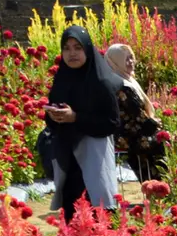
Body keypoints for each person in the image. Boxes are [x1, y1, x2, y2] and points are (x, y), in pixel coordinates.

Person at [43, 25, 121, 223]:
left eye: (77, 47)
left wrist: (76, 117)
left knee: (98, 216)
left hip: (94, 159)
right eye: (67, 48)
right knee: (72, 215)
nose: (72, 53)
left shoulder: (100, 82)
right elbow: (52, 121)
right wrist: (54, 117)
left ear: (87, 49)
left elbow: (111, 123)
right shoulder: (61, 79)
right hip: (68, 158)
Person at [106, 42, 166, 184]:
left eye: (131, 57)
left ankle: (159, 183)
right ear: (116, 62)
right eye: (126, 59)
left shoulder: (127, 80)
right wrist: (154, 123)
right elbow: (135, 113)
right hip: (127, 134)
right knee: (162, 142)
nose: (131, 62)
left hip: (137, 129)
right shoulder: (119, 84)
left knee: (164, 138)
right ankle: (157, 184)